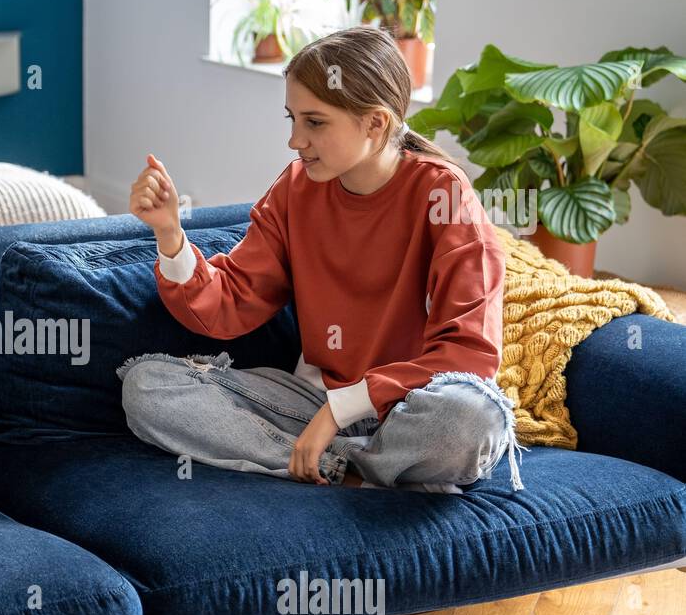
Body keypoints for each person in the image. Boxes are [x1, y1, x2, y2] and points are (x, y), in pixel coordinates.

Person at [119, 25, 526, 494]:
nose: (295, 140)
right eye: (291, 119)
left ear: (376, 123)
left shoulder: (445, 197)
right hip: (311, 401)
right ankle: (349, 471)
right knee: (149, 388)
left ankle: (333, 458)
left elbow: (468, 356)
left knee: (471, 420)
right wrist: (169, 234)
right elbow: (229, 301)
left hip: (413, 410)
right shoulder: (297, 188)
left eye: (314, 122)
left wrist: (342, 409)